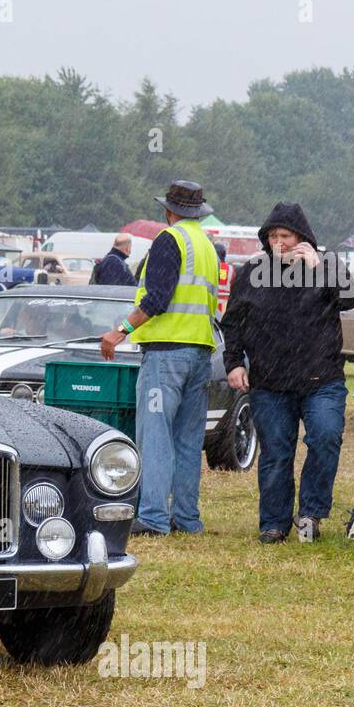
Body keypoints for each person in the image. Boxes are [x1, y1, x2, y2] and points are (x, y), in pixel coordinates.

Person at [222, 202, 354, 544]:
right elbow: (233, 322)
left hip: (321, 378)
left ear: (302, 237)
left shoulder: (326, 264)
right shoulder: (253, 271)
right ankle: (274, 522)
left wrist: (320, 269)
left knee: (326, 439)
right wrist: (234, 362)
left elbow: (351, 299)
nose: (278, 242)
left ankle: (311, 513)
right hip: (269, 382)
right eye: (272, 236)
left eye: (285, 235)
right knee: (276, 452)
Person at [98, 181, 220, 537]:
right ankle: (186, 517)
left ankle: (152, 517)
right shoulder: (207, 246)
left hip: (167, 353)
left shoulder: (170, 240)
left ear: (168, 211)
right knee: (187, 438)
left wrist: (119, 329)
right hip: (200, 350)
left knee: (155, 434)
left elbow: (157, 298)